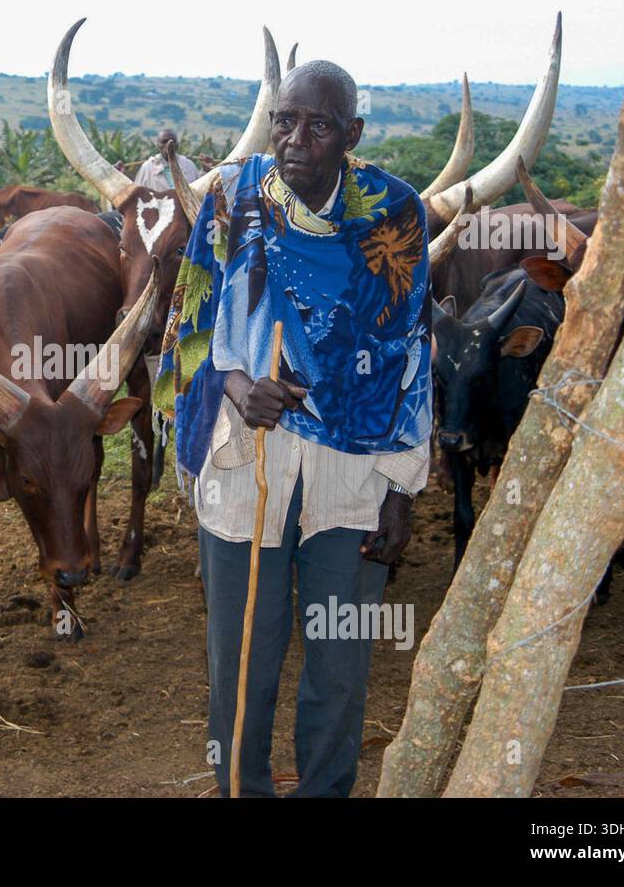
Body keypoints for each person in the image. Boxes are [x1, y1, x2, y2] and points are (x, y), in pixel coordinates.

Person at [153, 60, 432, 797]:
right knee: (242, 665)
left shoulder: (394, 214)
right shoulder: (229, 197)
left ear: (352, 135)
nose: (294, 138)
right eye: (284, 119)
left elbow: (411, 351)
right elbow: (191, 330)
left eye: (318, 124)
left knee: (339, 672)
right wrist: (239, 385)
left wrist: (402, 494)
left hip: (356, 477)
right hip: (248, 466)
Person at [134, 129, 201, 190]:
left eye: (172, 141)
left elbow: (200, 191)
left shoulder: (189, 165)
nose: (169, 145)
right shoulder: (147, 167)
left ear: (177, 145)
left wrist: (207, 170)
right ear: (158, 145)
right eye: (164, 142)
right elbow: (137, 193)